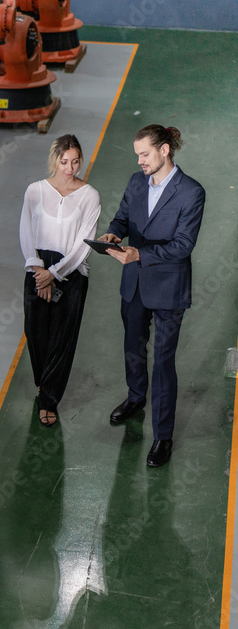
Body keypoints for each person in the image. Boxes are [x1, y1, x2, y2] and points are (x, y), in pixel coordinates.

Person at [98, 124, 205, 467]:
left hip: (168, 288)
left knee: (162, 362)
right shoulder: (135, 182)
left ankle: (162, 435)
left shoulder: (190, 192)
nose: (140, 161)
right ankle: (135, 398)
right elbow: (123, 218)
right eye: (137, 155)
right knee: (133, 346)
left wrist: (139, 255)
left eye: (145, 154)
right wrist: (114, 234)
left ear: (164, 151)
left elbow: (183, 245)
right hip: (134, 283)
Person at [19, 134, 101, 426]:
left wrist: (54, 275)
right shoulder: (35, 191)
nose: (70, 167)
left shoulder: (90, 196)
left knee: (62, 340)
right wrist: (38, 269)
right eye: (64, 161)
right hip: (37, 268)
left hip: (71, 273)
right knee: (36, 333)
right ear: (54, 159)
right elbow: (26, 230)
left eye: (75, 161)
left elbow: (84, 244)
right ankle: (44, 383)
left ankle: (49, 399)